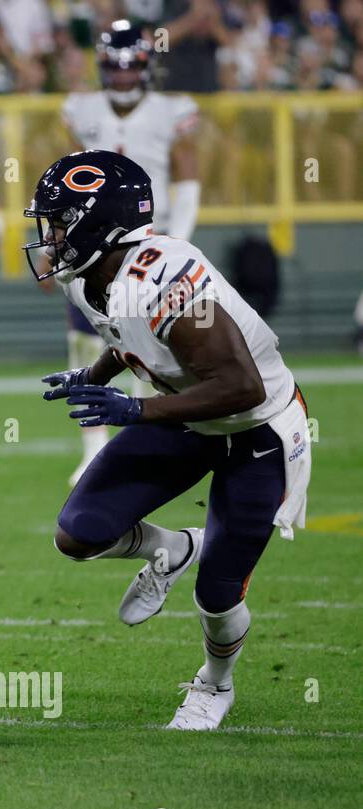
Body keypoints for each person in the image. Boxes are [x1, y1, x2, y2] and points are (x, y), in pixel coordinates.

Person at [25, 150, 311, 732]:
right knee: (78, 534)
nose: (49, 237)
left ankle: (215, 684)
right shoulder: (89, 281)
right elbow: (125, 332)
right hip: (185, 417)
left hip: (253, 428)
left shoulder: (168, 280)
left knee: (219, 595)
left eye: (59, 224)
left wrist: (136, 408)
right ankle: (174, 546)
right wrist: (96, 376)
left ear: (97, 226)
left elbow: (240, 384)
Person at [58, 20, 201, 485]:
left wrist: (177, 237)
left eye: (130, 67)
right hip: (92, 245)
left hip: (147, 243)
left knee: (148, 342)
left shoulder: (170, 111)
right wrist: (60, 240)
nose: (121, 77)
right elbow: (64, 180)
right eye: (113, 68)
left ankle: (145, 436)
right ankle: (93, 448)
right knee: (85, 338)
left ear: (145, 67)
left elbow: (188, 178)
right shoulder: (82, 109)